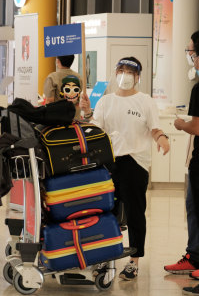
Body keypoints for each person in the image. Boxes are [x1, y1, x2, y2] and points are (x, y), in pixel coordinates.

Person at [80, 56, 170, 280]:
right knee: (104, 211)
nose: (125, 74)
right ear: (115, 73)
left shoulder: (145, 101)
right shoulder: (106, 101)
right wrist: (87, 113)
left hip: (135, 162)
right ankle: (104, 255)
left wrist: (162, 138)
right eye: (121, 70)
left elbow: (155, 127)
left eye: (130, 71)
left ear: (138, 77)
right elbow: (96, 129)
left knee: (134, 212)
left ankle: (134, 260)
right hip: (109, 162)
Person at [165, 32, 199, 292]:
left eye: (191, 51)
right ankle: (193, 256)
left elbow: (197, 127)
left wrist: (179, 124)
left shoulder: (198, 89)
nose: (190, 56)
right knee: (191, 206)